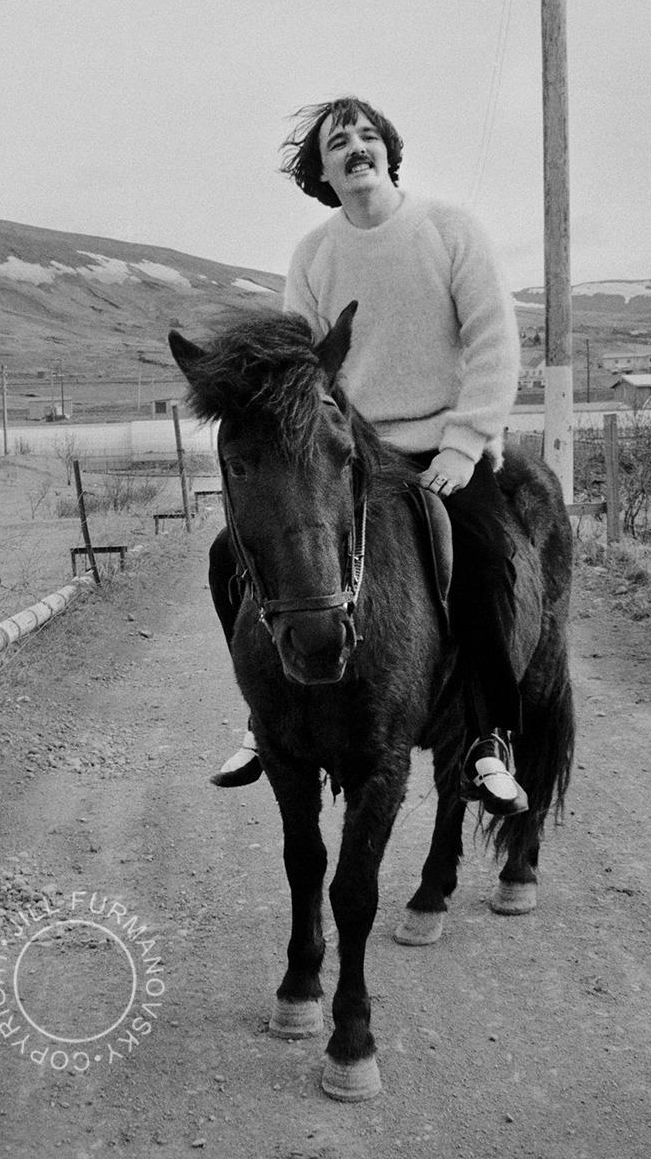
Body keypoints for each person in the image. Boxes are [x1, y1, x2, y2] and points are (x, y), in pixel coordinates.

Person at [210, 96, 527, 817]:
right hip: (352, 452)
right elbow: (303, 369)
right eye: (337, 141)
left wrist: (467, 443)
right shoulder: (315, 254)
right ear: (321, 171)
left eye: (366, 133)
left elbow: (493, 342)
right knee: (235, 552)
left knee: (485, 559)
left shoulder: (449, 230)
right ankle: (267, 722)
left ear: (387, 149)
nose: (356, 145)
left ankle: (487, 738)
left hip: (443, 445)